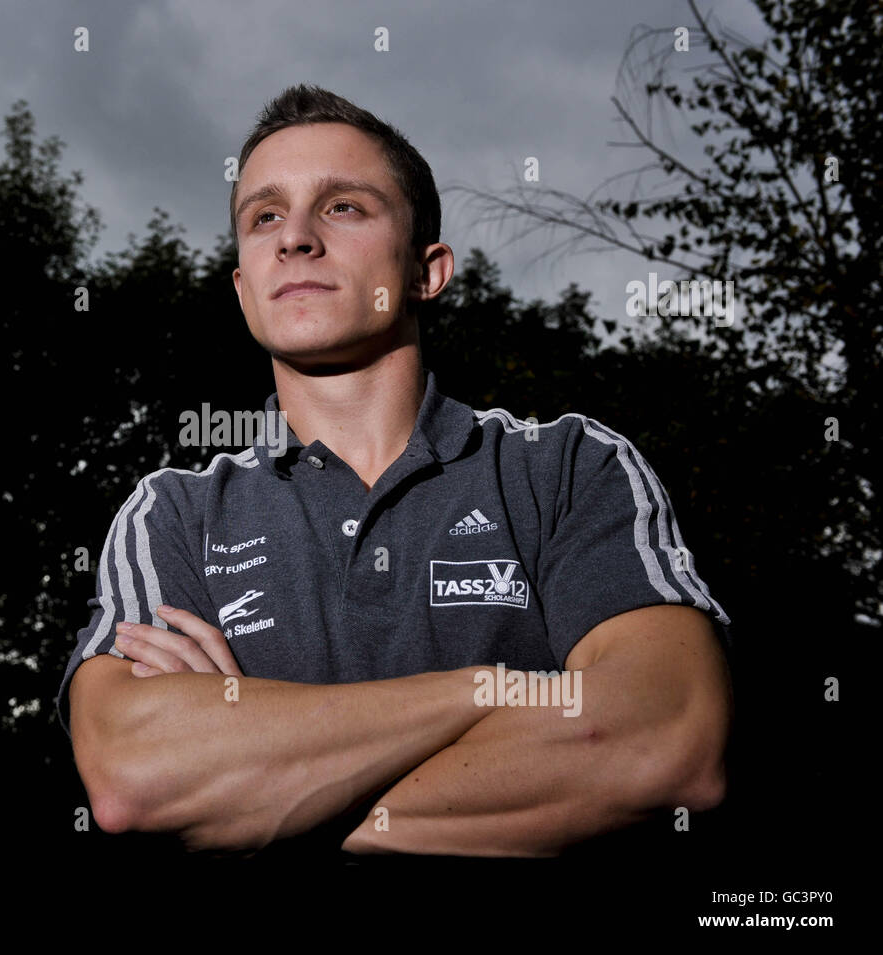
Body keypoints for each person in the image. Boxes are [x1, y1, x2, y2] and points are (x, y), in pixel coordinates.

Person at [54, 83, 733, 857]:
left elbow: (666, 740)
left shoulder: (570, 467)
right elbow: (136, 774)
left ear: (426, 269)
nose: (296, 237)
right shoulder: (173, 512)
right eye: (264, 215)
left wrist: (279, 782)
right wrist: (495, 689)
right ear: (243, 287)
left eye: (343, 206)